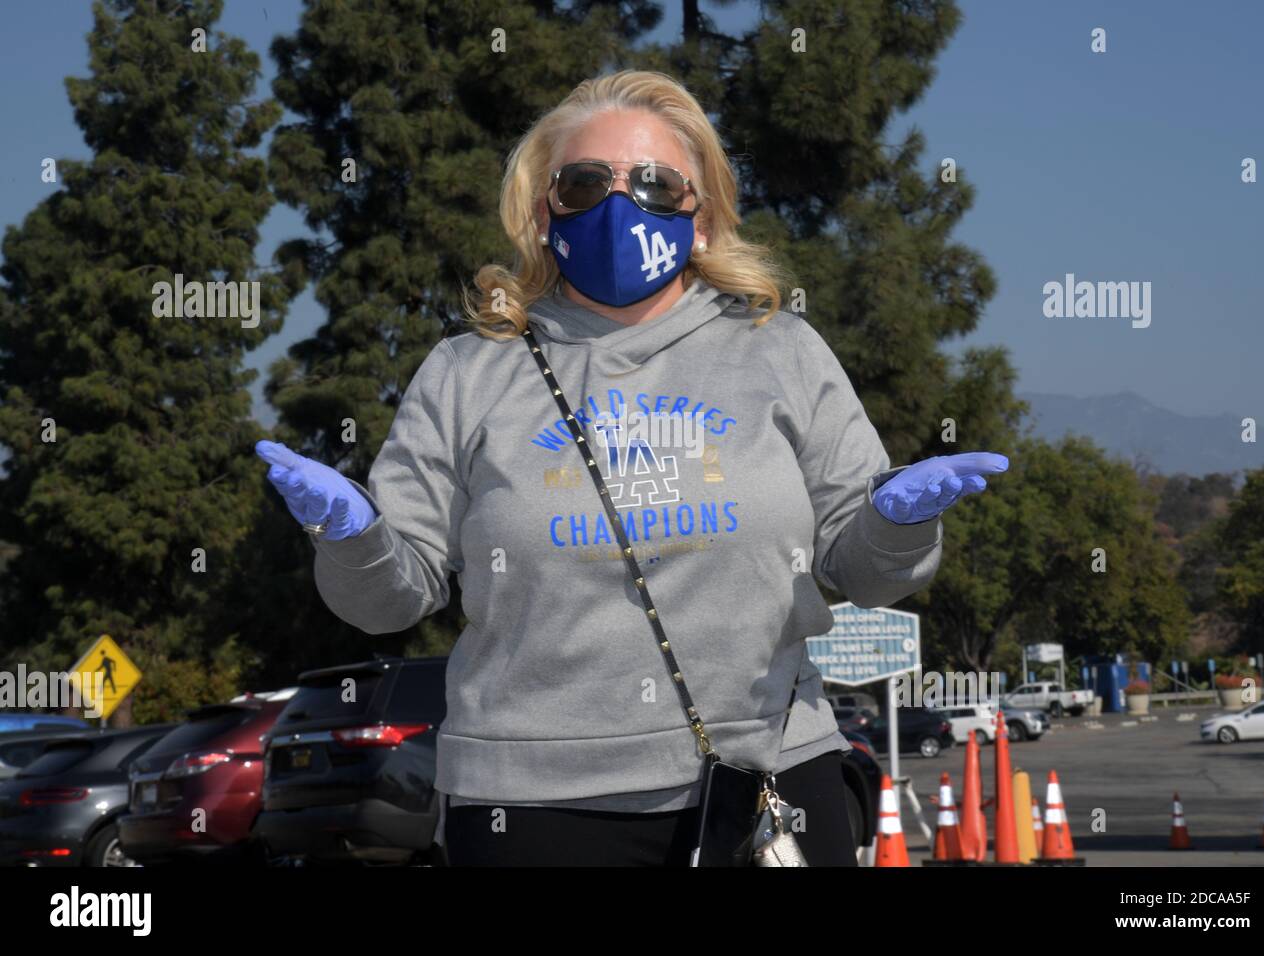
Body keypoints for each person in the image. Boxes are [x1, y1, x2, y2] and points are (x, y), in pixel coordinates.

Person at [255, 69, 1008, 866]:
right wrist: (350, 535)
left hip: (770, 784)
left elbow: (869, 576)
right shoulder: (466, 373)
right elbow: (388, 601)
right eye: (583, 183)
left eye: (653, 182)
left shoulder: (781, 349)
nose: (619, 204)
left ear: (705, 217)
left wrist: (896, 525)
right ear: (543, 215)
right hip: (529, 806)